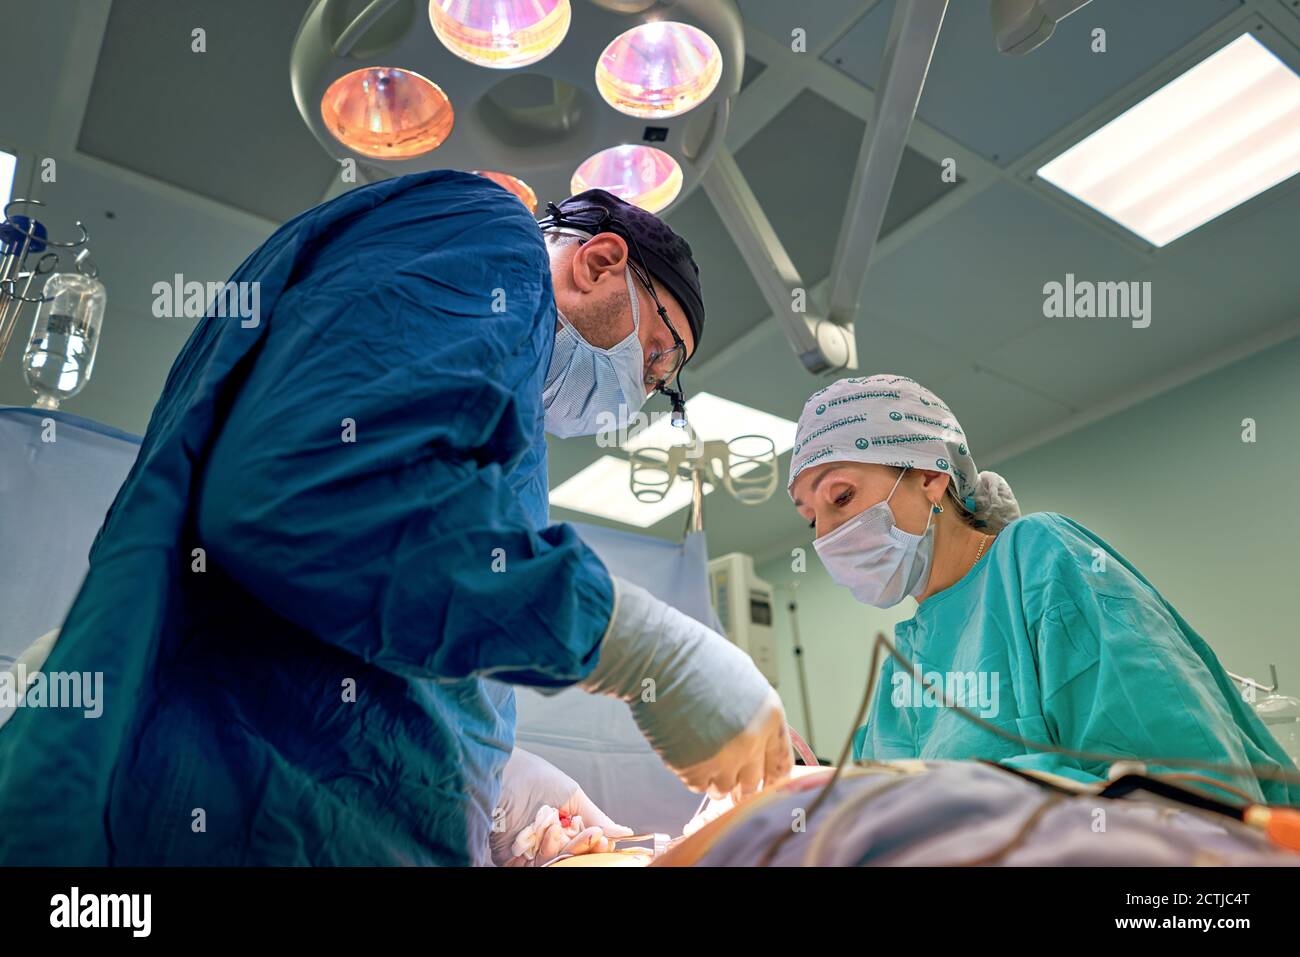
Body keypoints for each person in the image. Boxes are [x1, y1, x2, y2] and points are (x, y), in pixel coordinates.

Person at [0, 170, 790, 865]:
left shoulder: (487, 414)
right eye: (657, 354)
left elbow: (375, 601)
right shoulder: (488, 232)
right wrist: (643, 646)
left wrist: (483, 779)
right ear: (600, 260)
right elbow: (320, 495)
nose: (644, 390)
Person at [787, 374, 1298, 804]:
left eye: (842, 496)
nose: (826, 535)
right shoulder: (905, 662)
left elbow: (1187, 781)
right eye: (811, 519)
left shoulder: (1038, 558)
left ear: (927, 476)